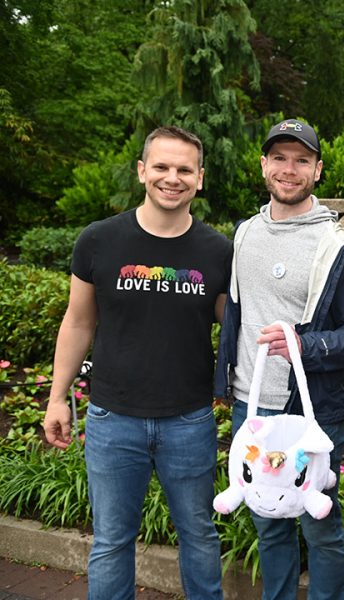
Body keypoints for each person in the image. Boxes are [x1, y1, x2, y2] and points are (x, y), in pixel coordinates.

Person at [42, 126, 230, 599]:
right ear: (142, 171)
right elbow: (78, 323)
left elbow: (236, 330)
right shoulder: (99, 240)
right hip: (112, 419)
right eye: (162, 167)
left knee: (200, 535)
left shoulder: (219, 251)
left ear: (200, 178)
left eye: (184, 169)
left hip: (189, 420)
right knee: (110, 541)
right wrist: (56, 396)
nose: (173, 177)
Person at [214, 118, 344, 600]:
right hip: (250, 405)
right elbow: (235, 310)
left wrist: (308, 346)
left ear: (317, 170)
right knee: (267, 520)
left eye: (301, 159)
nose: (289, 169)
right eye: (279, 158)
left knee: (319, 525)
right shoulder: (244, 234)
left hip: (311, 410)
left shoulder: (341, 249)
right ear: (263, 165)